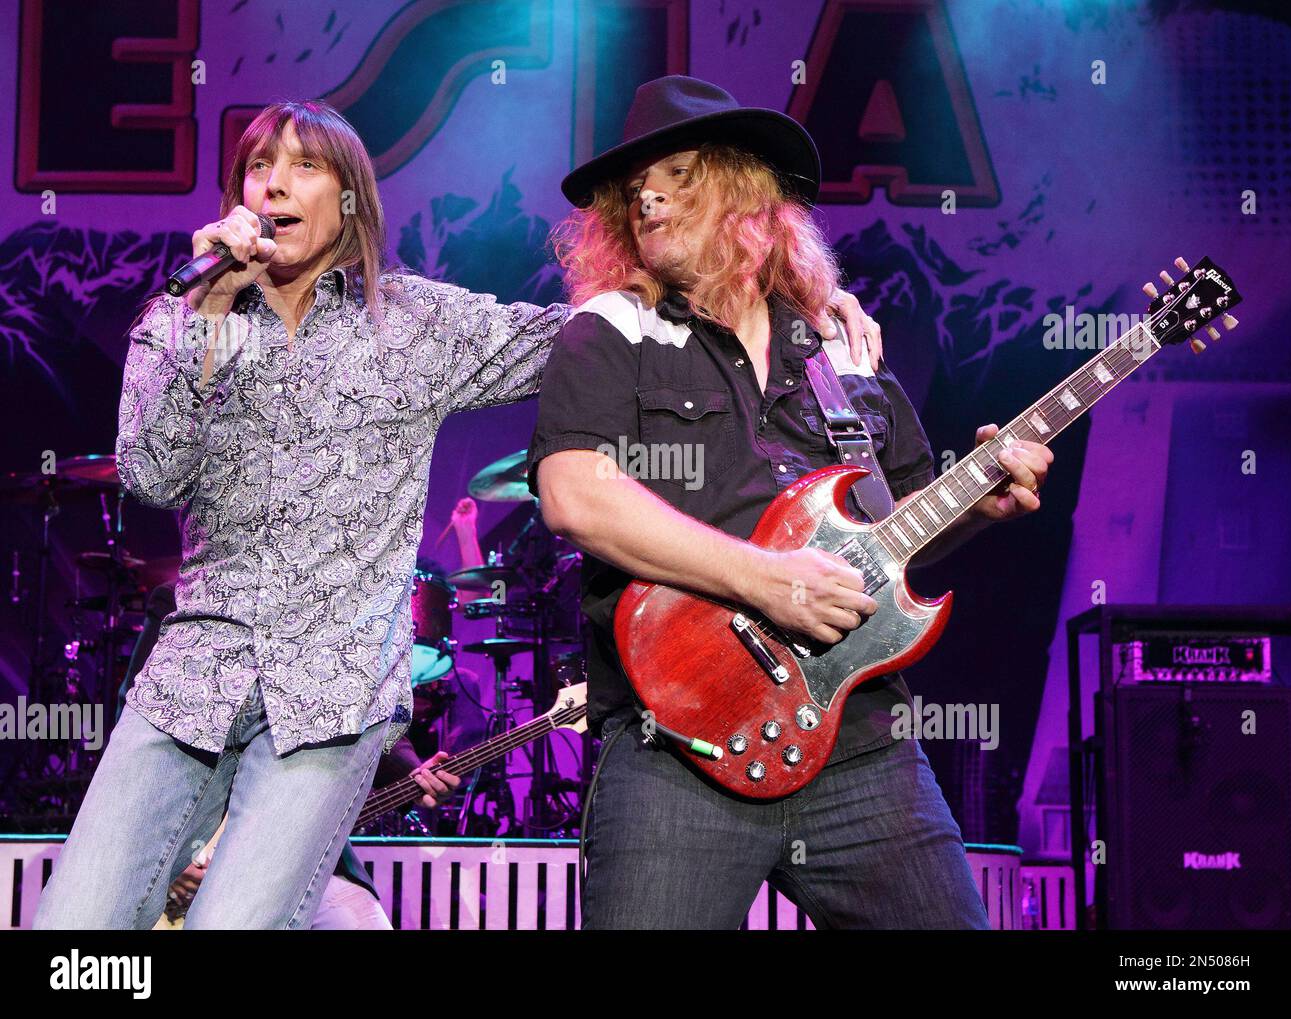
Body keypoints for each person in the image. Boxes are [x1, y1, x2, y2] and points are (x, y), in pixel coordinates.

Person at [34, 98, 880, 930]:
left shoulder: (413, 325)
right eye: (257, 167)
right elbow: (150, 476)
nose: (273, 186)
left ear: (351, 199)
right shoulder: (176, 324)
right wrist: (204, 323)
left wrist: (795, 304)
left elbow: (585, 338)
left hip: (333, 700)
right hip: (192, 678)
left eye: (303, 166)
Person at [528, 76, 1054, 929]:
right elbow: (574, 495)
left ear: (746, 192)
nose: (647, 196)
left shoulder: (838, 348)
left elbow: (895, 534)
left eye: (678, 174)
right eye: (637, 188)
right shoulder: (611, 330)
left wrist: (980, 500)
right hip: (677, 745)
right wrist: (767, 580)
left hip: (859, 749)